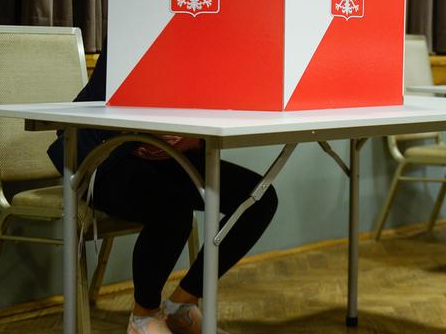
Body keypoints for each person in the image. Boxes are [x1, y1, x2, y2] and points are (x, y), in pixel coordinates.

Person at [48, 48, 278, 334]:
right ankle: (143, 316)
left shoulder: (216, 43)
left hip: (166, 155)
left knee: (258, 198)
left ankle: (182, 304)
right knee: (173, 208)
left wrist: (195, 137)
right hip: (102, 158)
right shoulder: (136, 31)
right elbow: (112, 100)